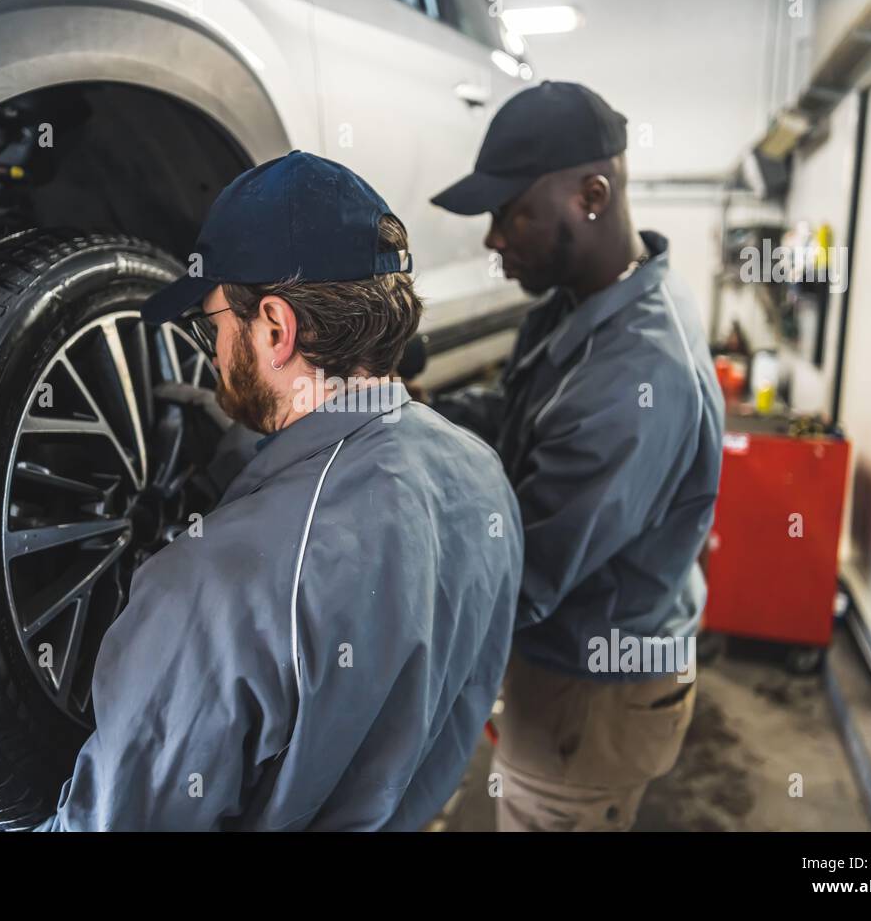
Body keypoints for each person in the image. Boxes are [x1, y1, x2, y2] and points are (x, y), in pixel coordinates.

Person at [40, 150, 523, 831]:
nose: (212, 356)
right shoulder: (481, 474)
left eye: (214, 326)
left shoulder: (209, 591)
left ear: (275, 326)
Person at [430, 82, 725, 831]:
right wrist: (395, 414)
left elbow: (518, 576)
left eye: (510, 211)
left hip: (588, 702)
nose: (494, 238)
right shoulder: (587, 301)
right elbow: (512, 419)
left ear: (591, 195)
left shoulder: (635, 378)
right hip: (580, 664)